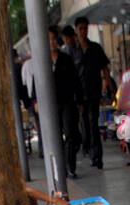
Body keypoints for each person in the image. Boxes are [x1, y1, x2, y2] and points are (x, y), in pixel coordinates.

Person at [74, 17, 112, 169]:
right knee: (85, 125)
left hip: (94, 93)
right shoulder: (73, 51)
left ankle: (98, 157)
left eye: (85, 28)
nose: (83, 31)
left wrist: (108, 88)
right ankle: (88, 150)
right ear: (76, 30)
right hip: (79, 95)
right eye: (80, 28)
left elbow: (105, 69)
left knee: (93, 124)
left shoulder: (95, 48)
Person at [49, 27, 82, 179]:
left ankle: (71, 166)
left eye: (53, 39)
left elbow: (76, 81)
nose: (51, 42)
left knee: (70, 135)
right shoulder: (42, 61)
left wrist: (79, 100)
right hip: (51, 105)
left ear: (57, 40)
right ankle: (59, 168)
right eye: (48, 39)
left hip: (68, 102)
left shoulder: (66, 59)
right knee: (55, 137)